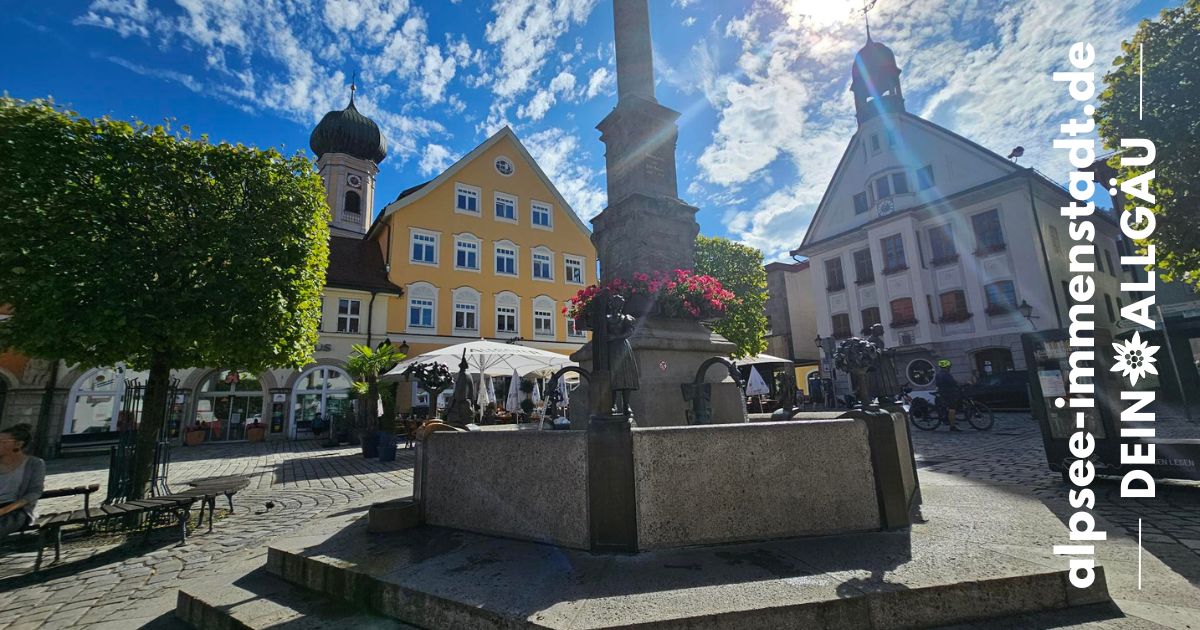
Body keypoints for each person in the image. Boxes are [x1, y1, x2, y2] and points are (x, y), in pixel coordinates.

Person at [0, 424, 46, 536]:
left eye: (2, 442)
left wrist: (4, 510)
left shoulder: (34, 464)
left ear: (18, 444)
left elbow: (34, 492)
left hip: (16, 510)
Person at [934, 359, 961, 431]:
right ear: (947, 367)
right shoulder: (946, 374)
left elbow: (937, 384)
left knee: (948, 408)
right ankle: (952, 426)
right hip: (948, 393)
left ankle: (948, 419)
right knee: (952, 409)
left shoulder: (938, 374)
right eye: (949, 367)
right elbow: (953, 383)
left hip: (942, 393)